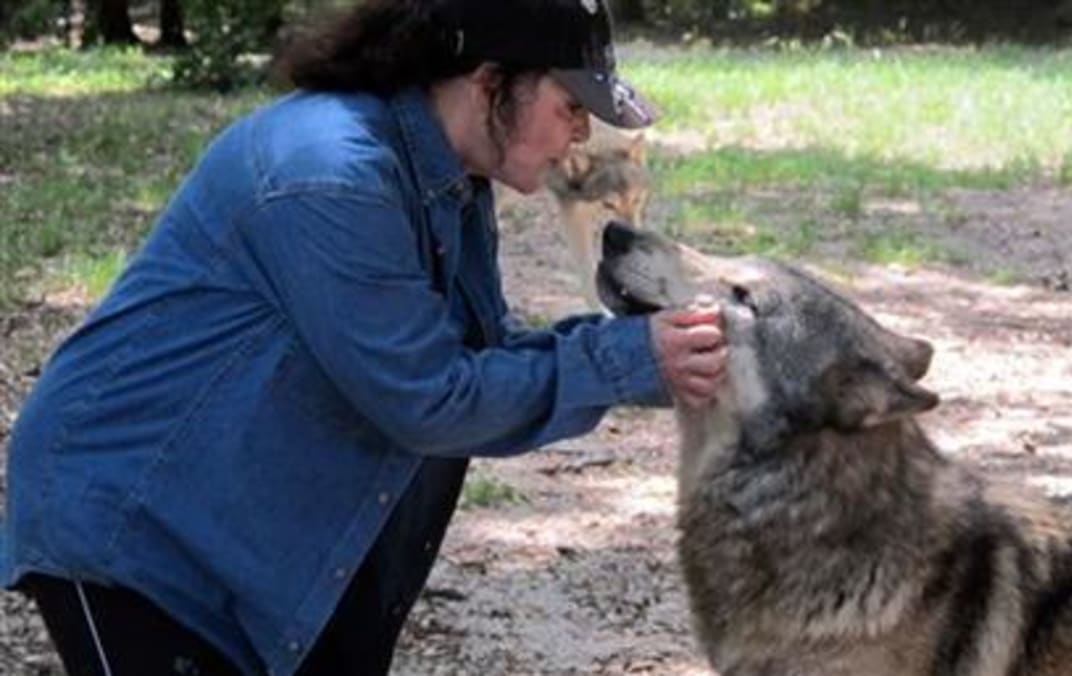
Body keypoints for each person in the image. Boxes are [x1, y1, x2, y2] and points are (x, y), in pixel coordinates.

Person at [0, 0, 728, 674]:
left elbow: (479, 354)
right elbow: (430, 399)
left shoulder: (452, 176)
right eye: (571, 105)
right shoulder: (330, 173)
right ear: (489, 82)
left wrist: (646, 355)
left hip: (242, 537)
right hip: (135, 532)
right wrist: (631, 360)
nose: (579, 134)